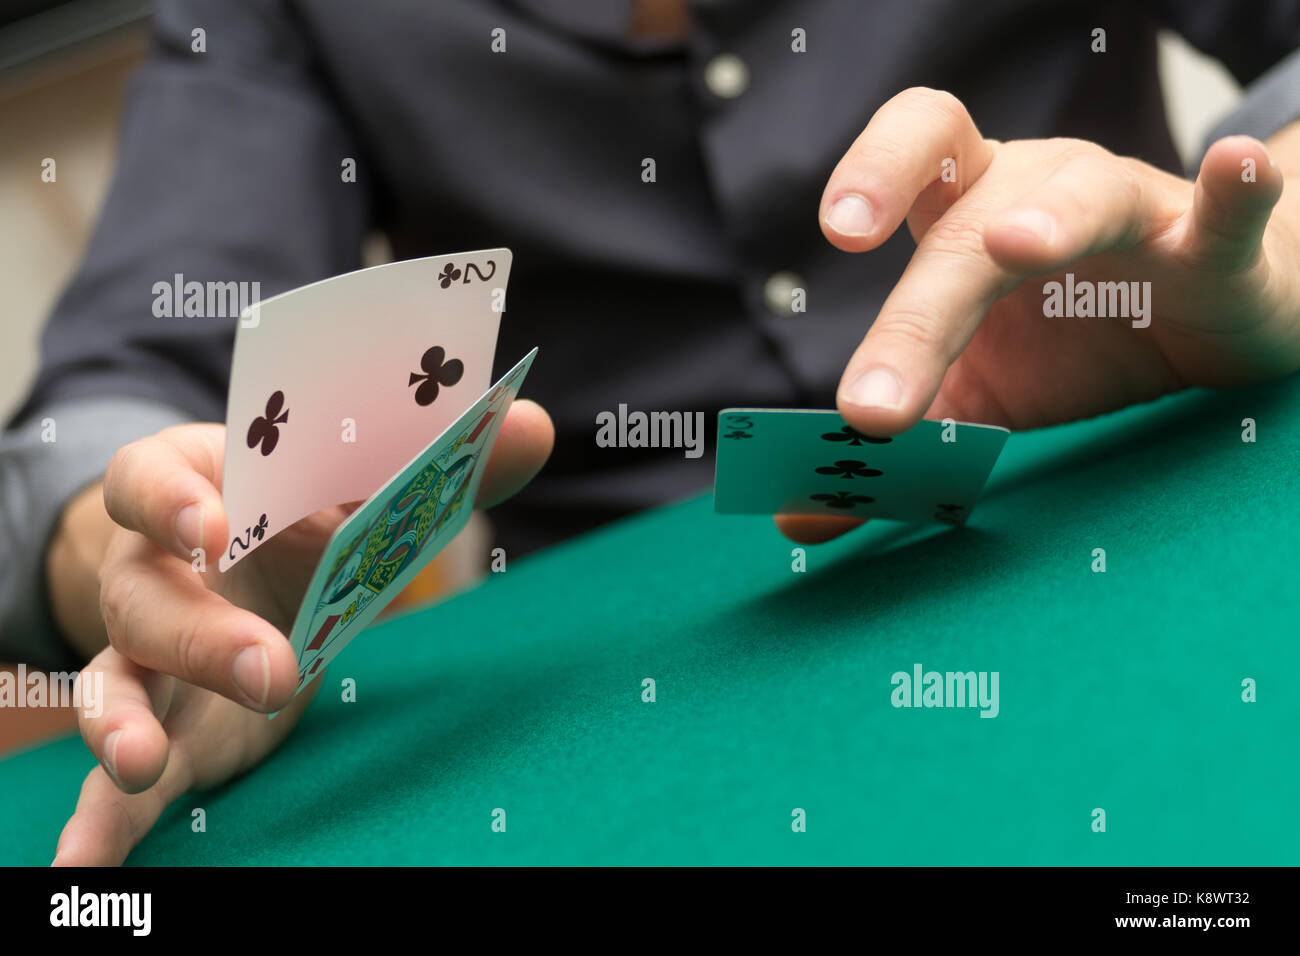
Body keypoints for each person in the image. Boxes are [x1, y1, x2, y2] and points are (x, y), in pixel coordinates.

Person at [1, 0, 1297, 865]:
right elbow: (122, 383)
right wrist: (155, 553)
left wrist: (1265, 247)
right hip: (589, 684)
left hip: (1136, 466)